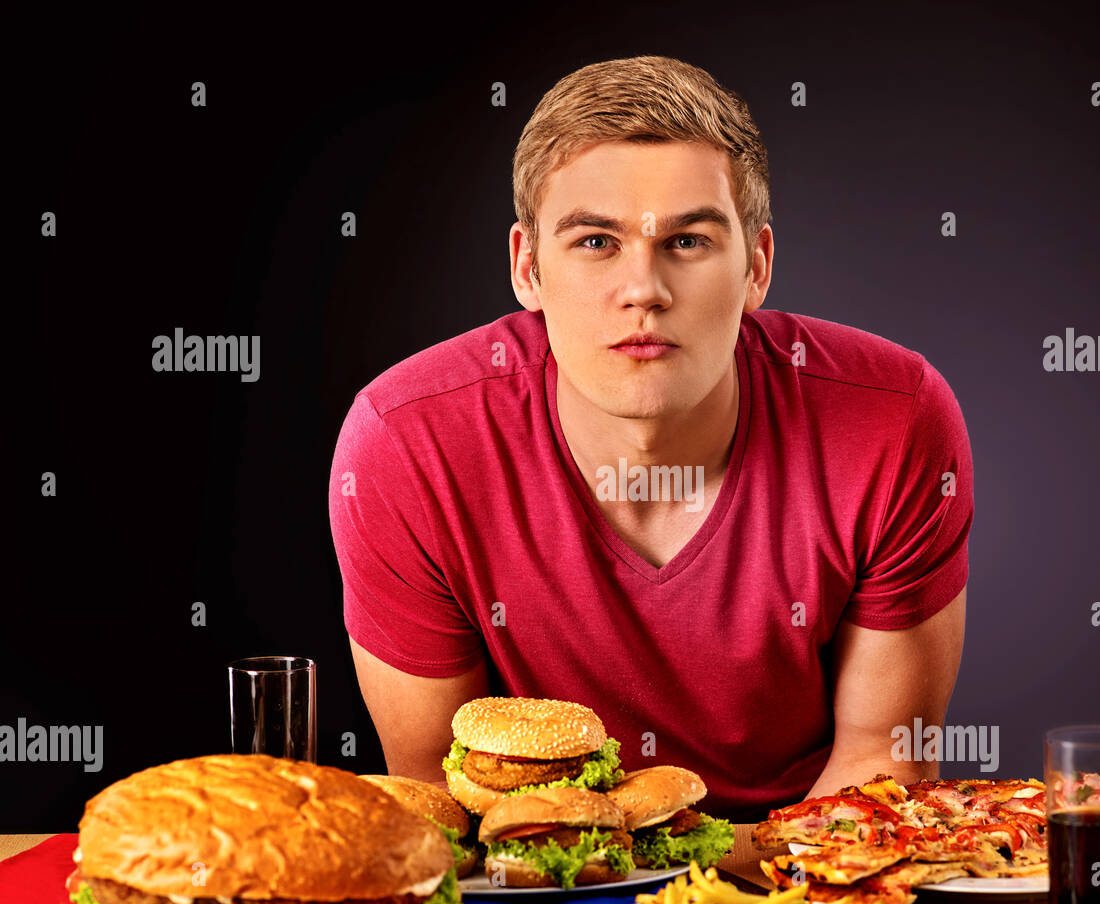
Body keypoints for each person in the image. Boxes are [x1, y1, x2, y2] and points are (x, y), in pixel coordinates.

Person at [328, 55, 972, 822]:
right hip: (533, 880)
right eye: (596, 242)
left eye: (688, 241)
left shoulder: (894, 420)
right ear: (527, 268)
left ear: (756, 266)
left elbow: (879, 769)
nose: (645, 290)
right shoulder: (405, 446)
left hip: (801, 878)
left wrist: (716, 882)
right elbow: (444, 796)